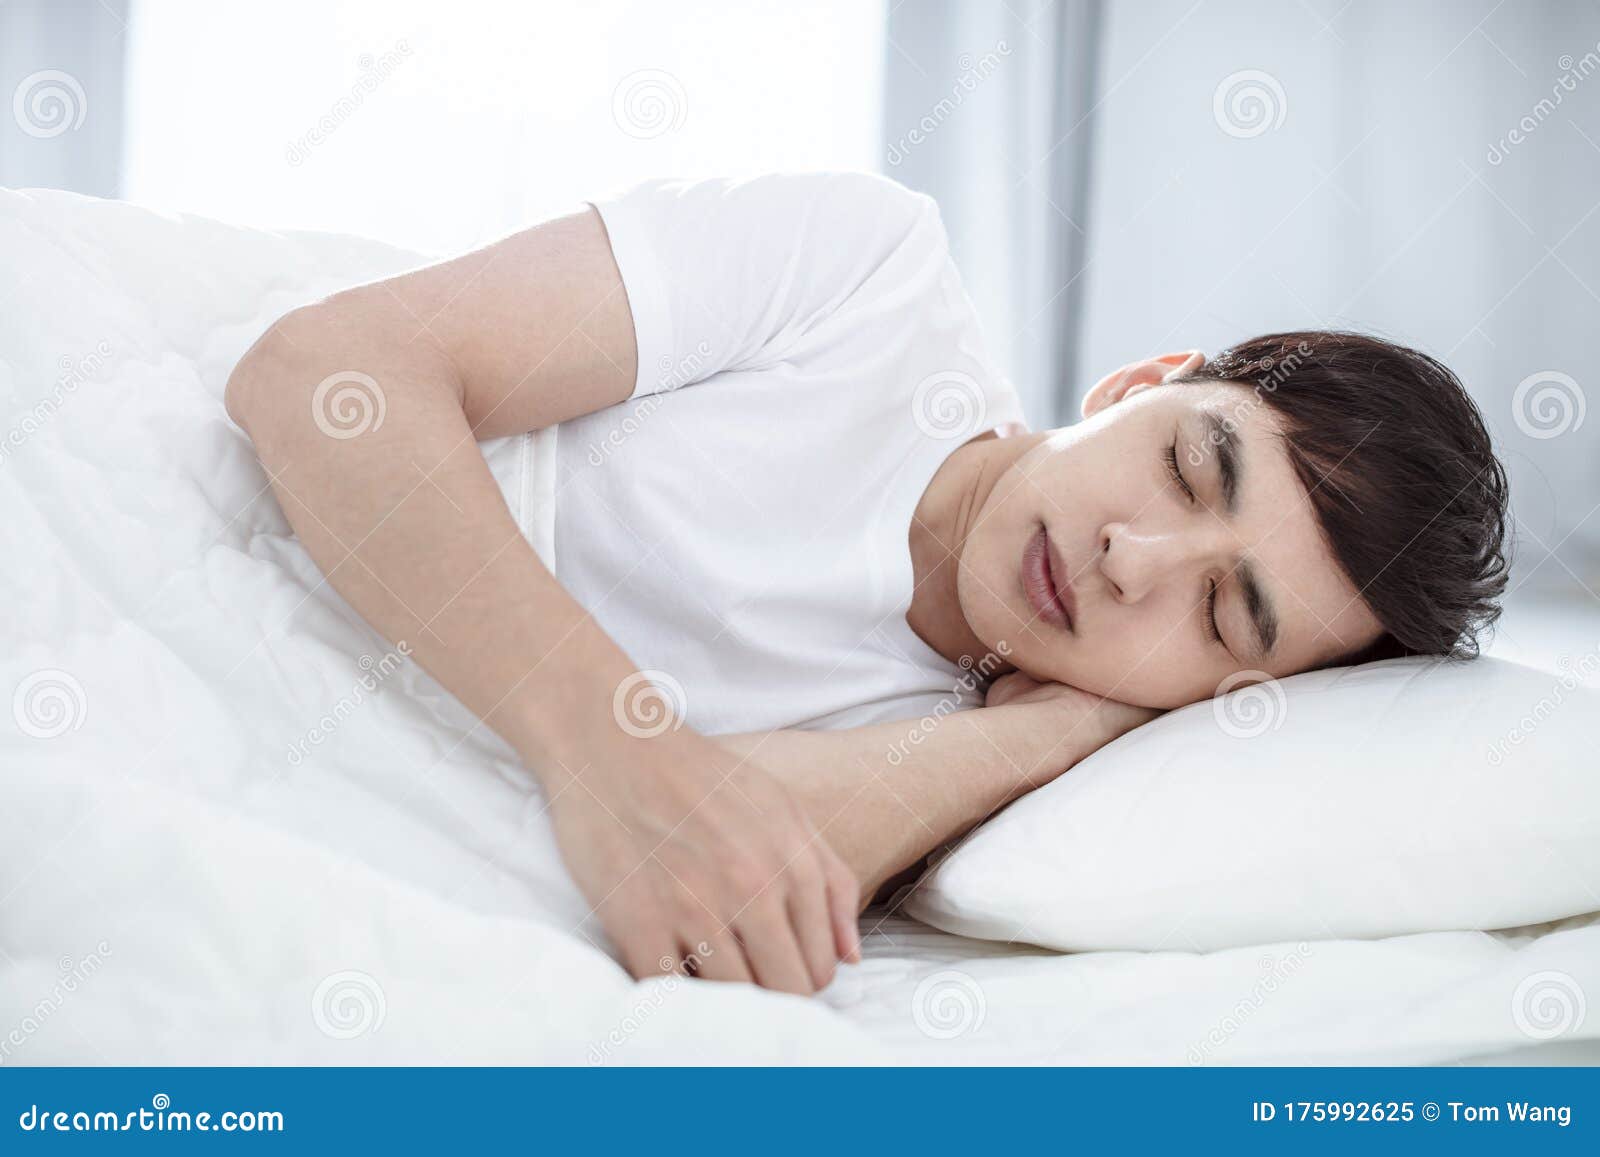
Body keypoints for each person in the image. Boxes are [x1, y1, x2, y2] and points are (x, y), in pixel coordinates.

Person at [223, 172, 1509, 996]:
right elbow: (333, 376)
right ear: (1136, 384)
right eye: (1185, 465)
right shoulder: (867, 278)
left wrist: (1068, 725)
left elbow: (706, 913)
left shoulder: (981, 756)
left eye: (1220, 614)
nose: (1135, 560)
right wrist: (615, 759)